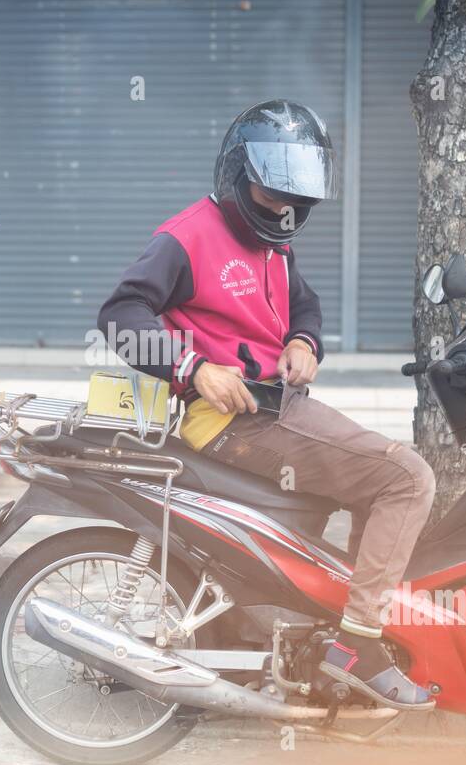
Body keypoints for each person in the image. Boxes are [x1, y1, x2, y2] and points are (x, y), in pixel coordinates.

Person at [97, 99, 437, 710]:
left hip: (279, 408)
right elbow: (120, 316)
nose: (282, 209)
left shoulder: (274, 241)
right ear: (234, 176)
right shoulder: (187, 236)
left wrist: (306, 342)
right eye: (270, 193)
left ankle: (330, 635)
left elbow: (304, 305)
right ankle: (359, 647)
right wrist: (193, 369)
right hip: (237, 421)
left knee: (379, 481)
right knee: (407, 479)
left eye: (293, 198)